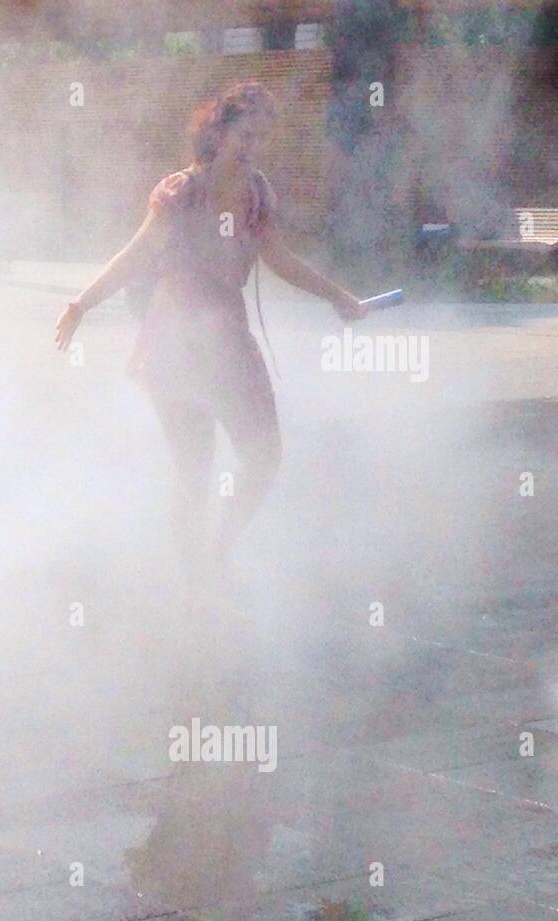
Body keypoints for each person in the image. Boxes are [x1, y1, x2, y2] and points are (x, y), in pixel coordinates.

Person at [55, 82, 366, 601]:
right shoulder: (182, 193)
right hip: (175, 336)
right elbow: (136, 254)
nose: (252, 147)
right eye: (245, 134)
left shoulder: (257, 195)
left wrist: (335, 295)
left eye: (261, 137)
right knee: (194, 470)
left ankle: (218, 552)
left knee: (263, 455)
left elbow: (280, 259)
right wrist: (82, 304)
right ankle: (194, 583)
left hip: (228, 334)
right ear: (217, 133)